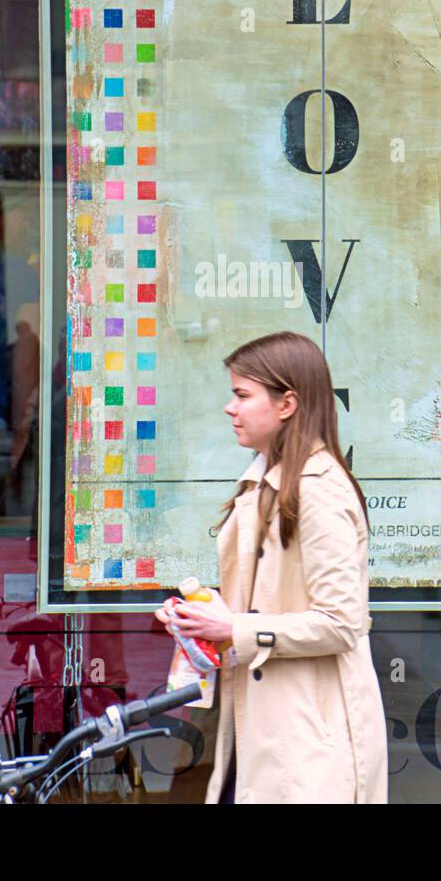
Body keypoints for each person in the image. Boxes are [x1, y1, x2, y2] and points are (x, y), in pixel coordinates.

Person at [156, 331, 387, 804]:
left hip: (307, 742)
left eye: (242, 395)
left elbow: (341, 623)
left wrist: (235, 628)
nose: (229, 407)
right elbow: (262, 606)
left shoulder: (319, 490)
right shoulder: (265, 480)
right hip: (265, 730)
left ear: (287, 405)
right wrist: (202, 619)